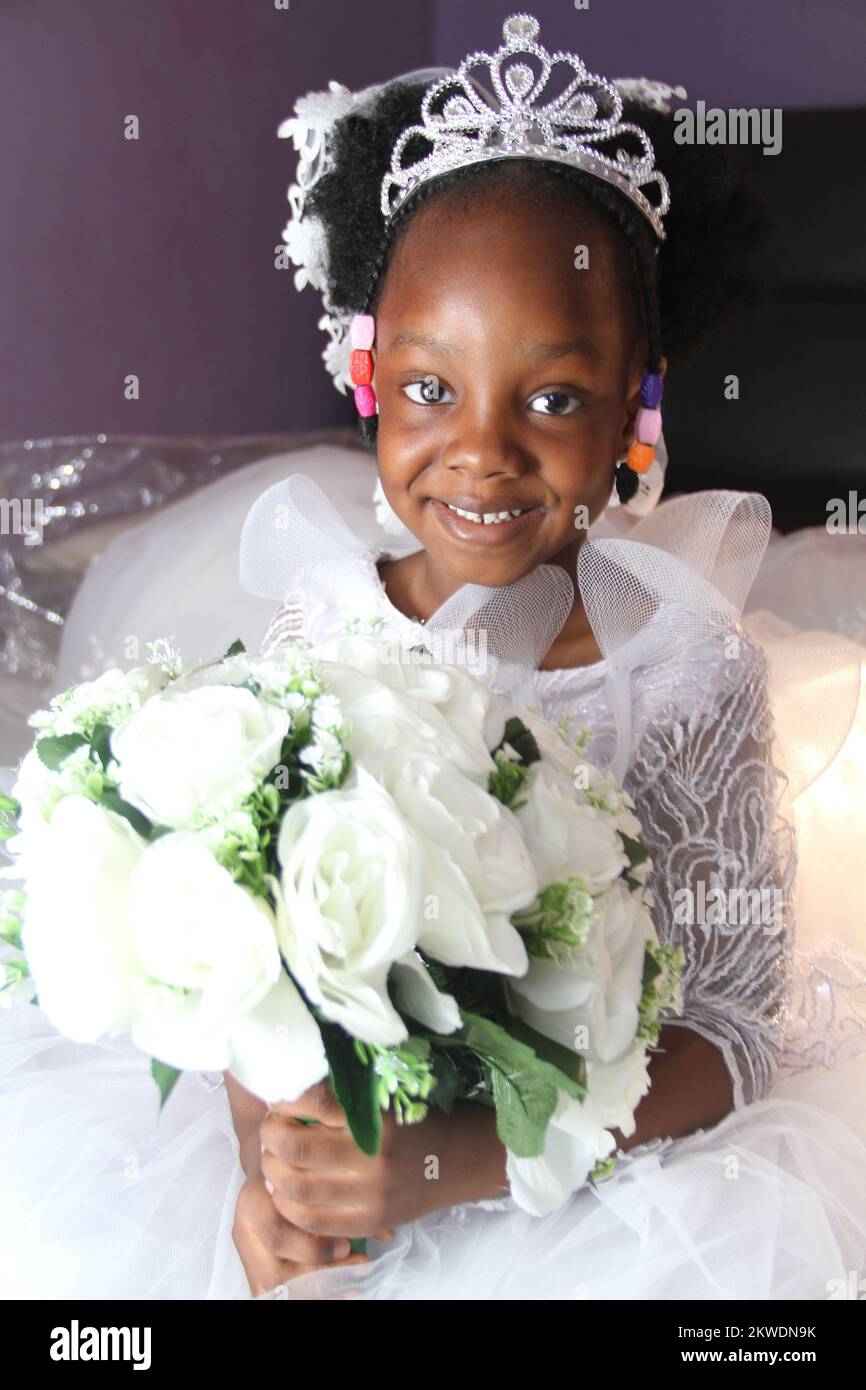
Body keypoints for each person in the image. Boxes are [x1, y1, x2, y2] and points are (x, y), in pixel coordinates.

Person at [1, 13, 864, 1301]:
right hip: (348, 1145)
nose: (482, 450)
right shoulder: (326, 624)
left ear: (641, 399)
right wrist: (275, 1164)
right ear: (367, 375)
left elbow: (731, 1035)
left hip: (577, 1170)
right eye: (428, 388)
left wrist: (458, 1162)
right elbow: (255, 944)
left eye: (555, 399)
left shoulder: (683, 672)